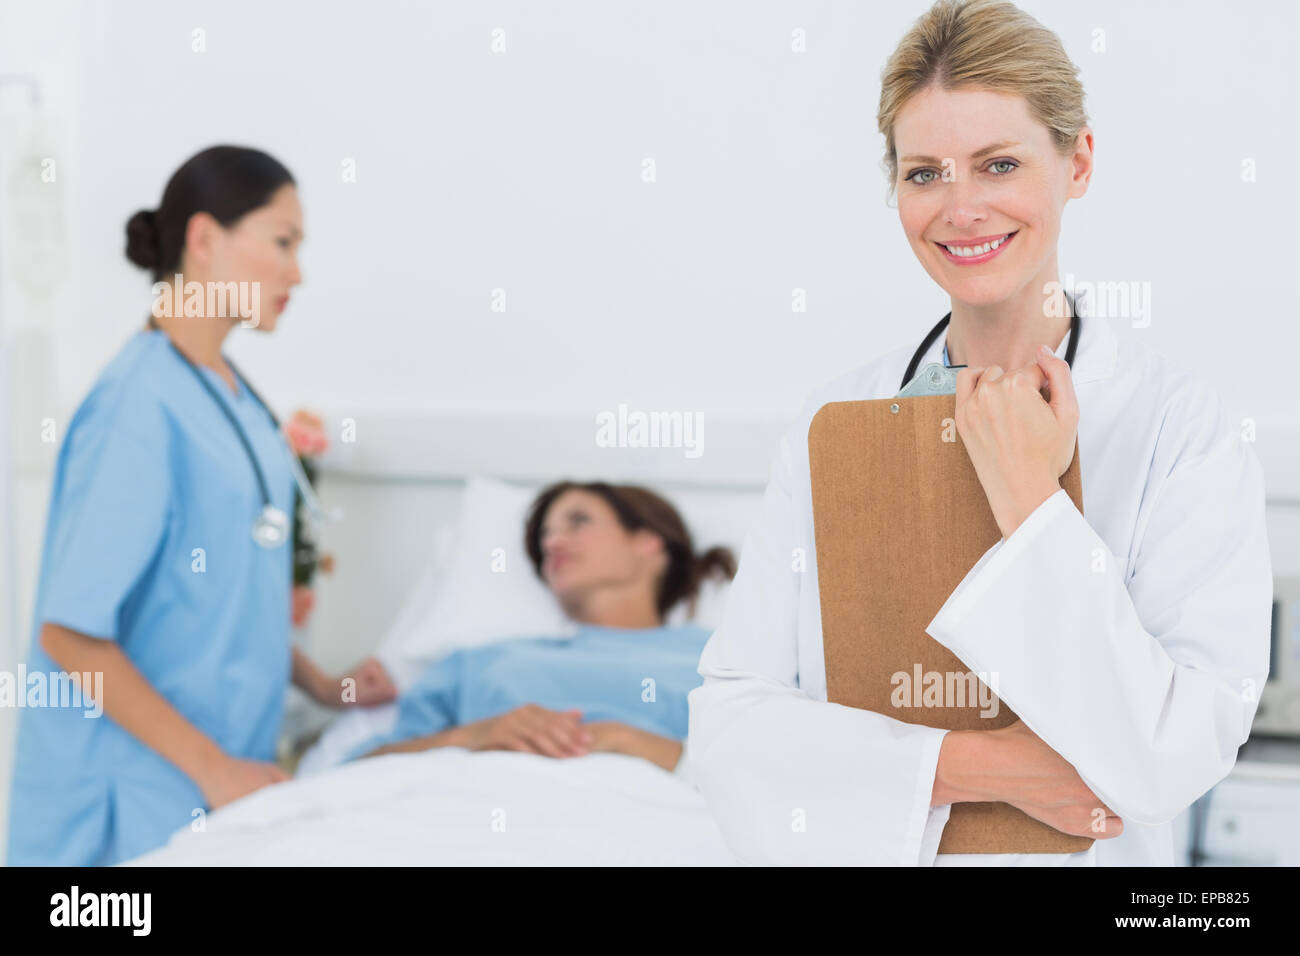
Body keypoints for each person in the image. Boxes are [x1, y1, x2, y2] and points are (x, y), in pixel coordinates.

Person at [687, 0, 1271, 866]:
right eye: (925, 173)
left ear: (1078, 163)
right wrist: (976, 768)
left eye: (998, 164)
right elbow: (729, 733)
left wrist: (1033, 503)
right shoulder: (832, 427)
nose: (960, 208)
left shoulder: (1179, 426)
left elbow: (1170, 758)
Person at [6, 145, 396, 866]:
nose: (297, 272)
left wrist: (325, 685)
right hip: (123, 804)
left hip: (208, 790)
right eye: (283, 242)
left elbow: (219, 601)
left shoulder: (232, 396)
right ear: (205, 240)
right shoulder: (138, 406)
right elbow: (70, 635)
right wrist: (215, 770)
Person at [346, 481, 735, 772]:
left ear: (648, 543)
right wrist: (470, 737)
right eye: (545, 537)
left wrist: (640, 744)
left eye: (578, 522)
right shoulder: (483, 661)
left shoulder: (719, 658)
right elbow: (358, 771)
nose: (552, 544)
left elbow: (774, 774)